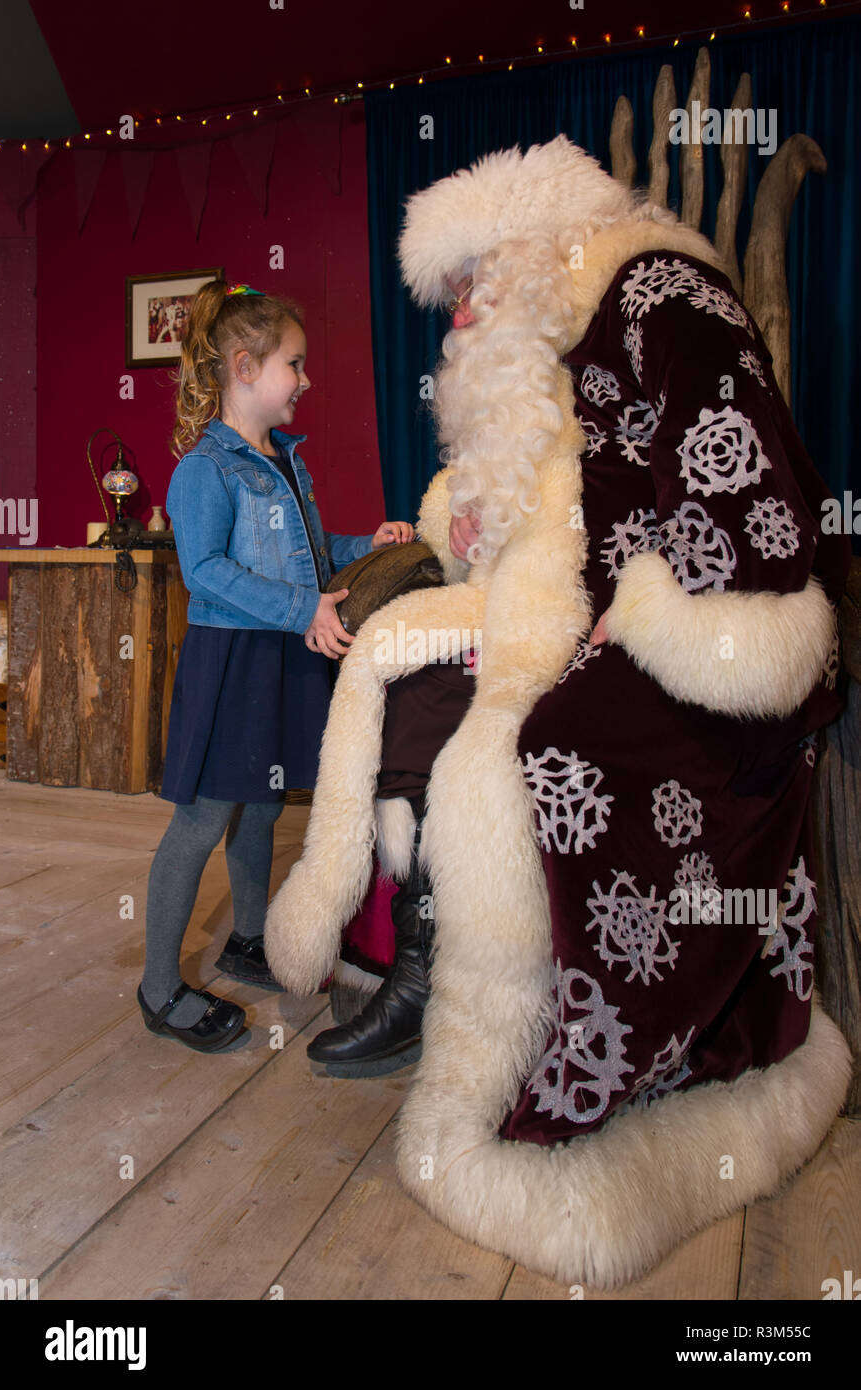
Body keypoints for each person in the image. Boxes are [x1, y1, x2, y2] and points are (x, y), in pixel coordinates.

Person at [265, 136, 853, 1289]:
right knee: (424, 691)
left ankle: (565, 1066)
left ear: (528, 249)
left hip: (719, 643)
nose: (465, 318)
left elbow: (746, 492)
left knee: (534, 756)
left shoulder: (658, 291)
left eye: (475, 285)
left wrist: (639, 609)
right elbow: (537, 492)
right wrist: (463, 526)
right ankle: (428, 973)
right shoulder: (560, 339)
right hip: (591, 619)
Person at [138, 279, 413, 1053]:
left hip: (278, 658)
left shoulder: (288, 463)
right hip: (232, 661)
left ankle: (248, 939)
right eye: (296, 364)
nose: (306, 380)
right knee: (200, 821)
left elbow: (312, 558)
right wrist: (303, 611)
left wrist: (369, 547)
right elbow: (206, 572)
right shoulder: (206, 470)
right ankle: (158, 987)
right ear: (245, 365)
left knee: (260, 807)